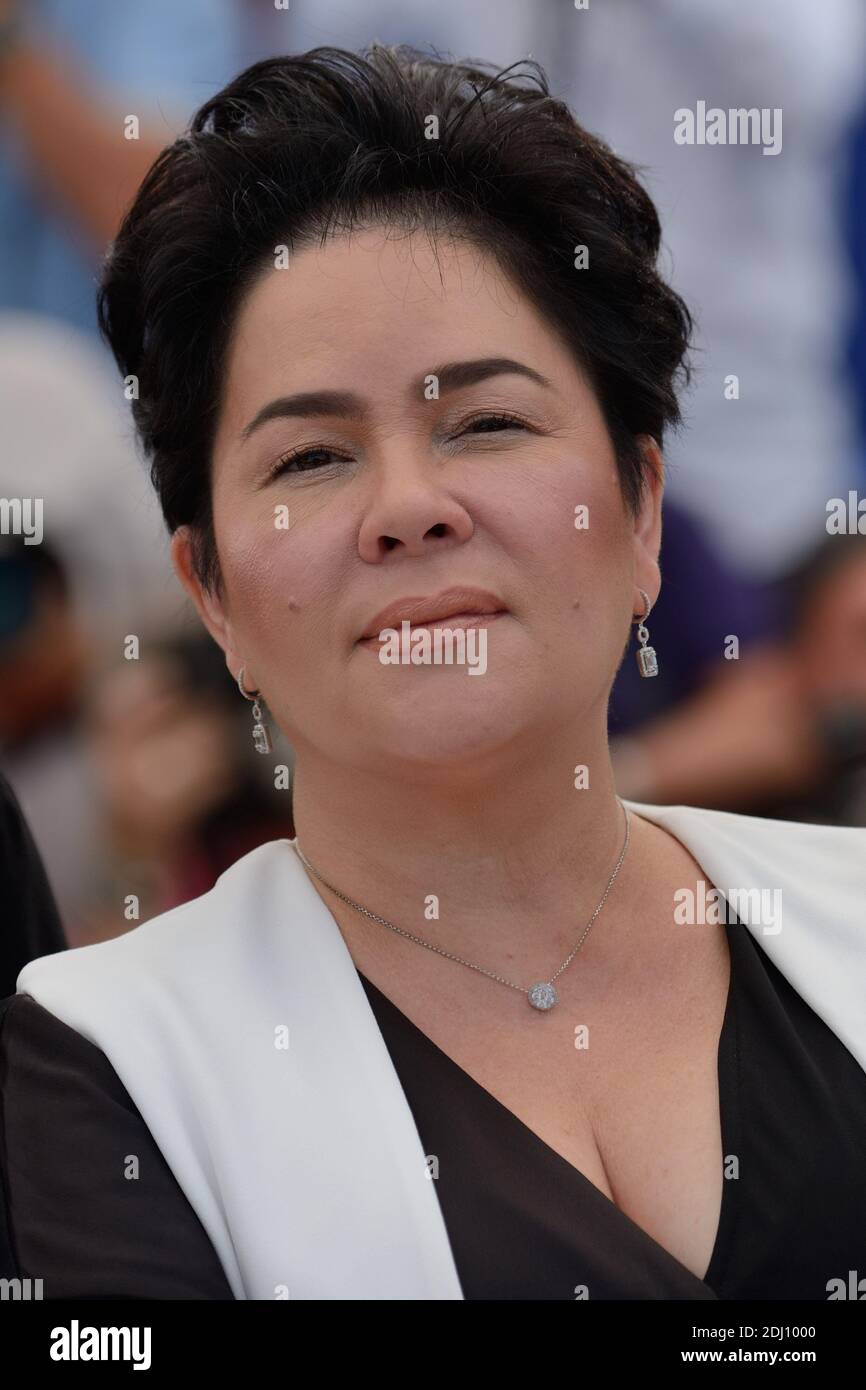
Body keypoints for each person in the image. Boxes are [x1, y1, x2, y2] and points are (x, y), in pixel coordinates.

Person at [1, 45, 865, 1302]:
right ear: (210, 595)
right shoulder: (110, 1058)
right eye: (309, 459)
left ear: (641, 511)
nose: (408, 508)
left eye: (486, 423)